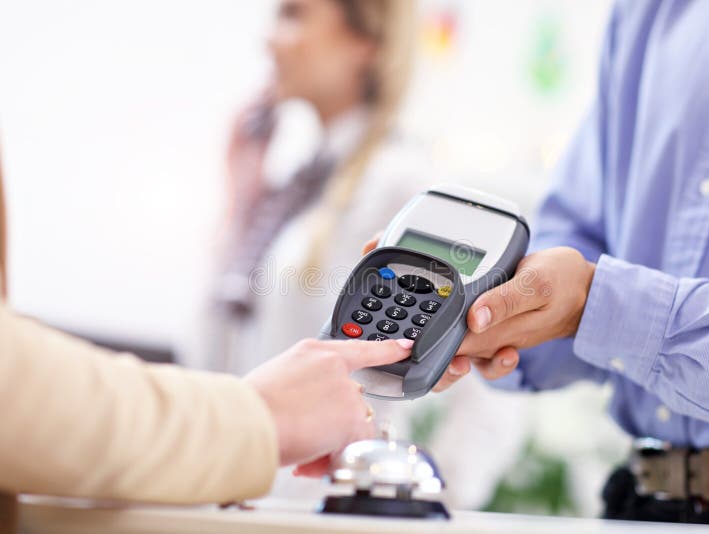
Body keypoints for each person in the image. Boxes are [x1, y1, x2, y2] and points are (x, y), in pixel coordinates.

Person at [371, 0, 709, 528]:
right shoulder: (651, 12)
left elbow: (593, 292)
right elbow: (576, 240)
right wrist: (500, 307)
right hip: (644, 502)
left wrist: (594, 303)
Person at [0, 146, 414, 529]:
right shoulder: (280, 182)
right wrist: (253, 415)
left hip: (321, 469)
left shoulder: (391, 177)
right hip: (242, 462)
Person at [180, 0, 429, 375]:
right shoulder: (297, 182)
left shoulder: (399, 185)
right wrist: (240, 205)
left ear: (365, 41)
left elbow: (481, 395)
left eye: (294, 15)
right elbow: (213, 348)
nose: (269, 40)